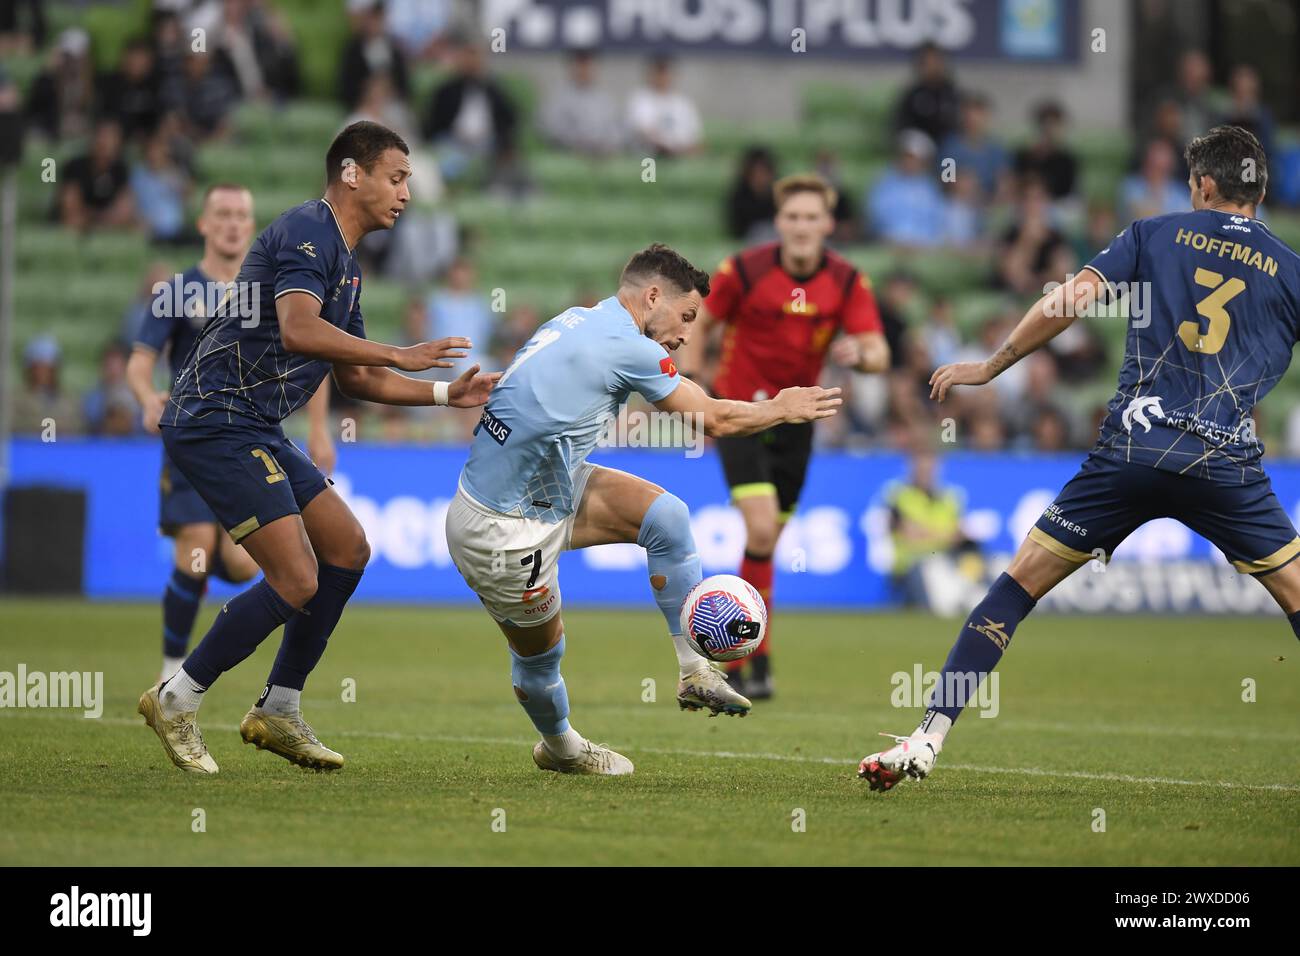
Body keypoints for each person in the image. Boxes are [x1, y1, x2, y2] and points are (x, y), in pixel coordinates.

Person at [860, 126, 1300, 791]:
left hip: (1131, 450)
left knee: (1016, 586)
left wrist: (991, 366)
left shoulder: (1154, 234)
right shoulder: (1291, 269)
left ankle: (927, 736)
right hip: (1222, 462)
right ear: (1260, 191)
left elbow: (1067, 300)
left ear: (1203, 186)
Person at [137, 121, 499, 776]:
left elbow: (357, 377)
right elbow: (299, 331)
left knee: (347, 549)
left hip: (255, 424)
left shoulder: (347, 269)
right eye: (397, 177)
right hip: (214, 419)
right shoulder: (308, 230)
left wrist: (447, 395)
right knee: (296, 578)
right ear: (352, 174)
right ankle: (176, 697)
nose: (406, 193)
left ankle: (278, 707)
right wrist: (400, 350)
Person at [445, 243, 842, 775]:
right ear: (652, 296)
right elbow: (714, 420)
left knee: (668, 517)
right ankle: (561, 747)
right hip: (502, 528)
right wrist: (780, 408)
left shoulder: (579, 318)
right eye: (686, 317)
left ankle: (694, 670)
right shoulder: (628, 347)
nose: (684, 336)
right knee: (541, 659)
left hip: (548, 486)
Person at [685, 174, 889, 699]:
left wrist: (860, 355)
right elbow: (700, 323)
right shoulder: (745, 269)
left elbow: (878, 352)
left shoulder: (847, 281)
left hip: (798, 420)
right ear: (779, 222)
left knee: (767, 542)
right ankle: (747, 654)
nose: (801, 227)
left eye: (811, 218)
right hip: (741, 414)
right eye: (792, 217)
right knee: (759, 531)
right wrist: (691, 385)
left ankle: (748, 656)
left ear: (828, 224)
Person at [126, 183, 335, 684]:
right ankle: (173, 668)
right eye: (222, 213)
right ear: (203, 224)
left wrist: (320, 430)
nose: (232, 223)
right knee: (195, 551)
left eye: (242, 214)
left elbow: (313, 351)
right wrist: (147, 397)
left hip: (254, 436)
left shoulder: (271, 289)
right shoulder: (177, 292)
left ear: (252, 224)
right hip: (195, 432)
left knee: (241, 568)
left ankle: (204, 575)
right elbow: (140, 362)